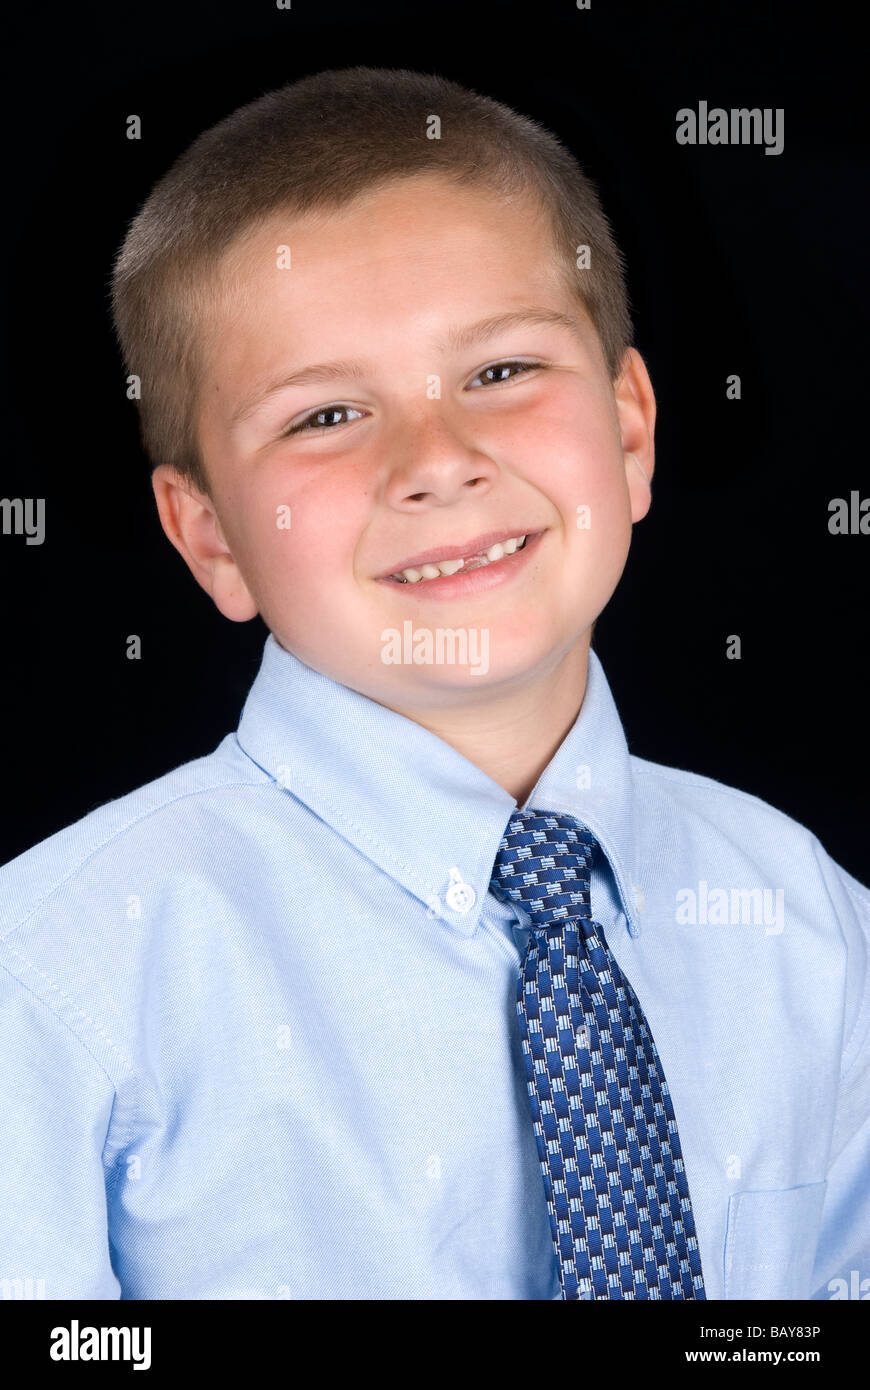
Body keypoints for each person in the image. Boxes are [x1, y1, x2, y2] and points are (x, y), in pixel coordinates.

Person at [1, 66, 866, 1301]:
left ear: (628, 433)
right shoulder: (51, 983)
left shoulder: (807, 919)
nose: (439, 461)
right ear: (212, 537)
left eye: (502, 373)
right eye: (326, 415)